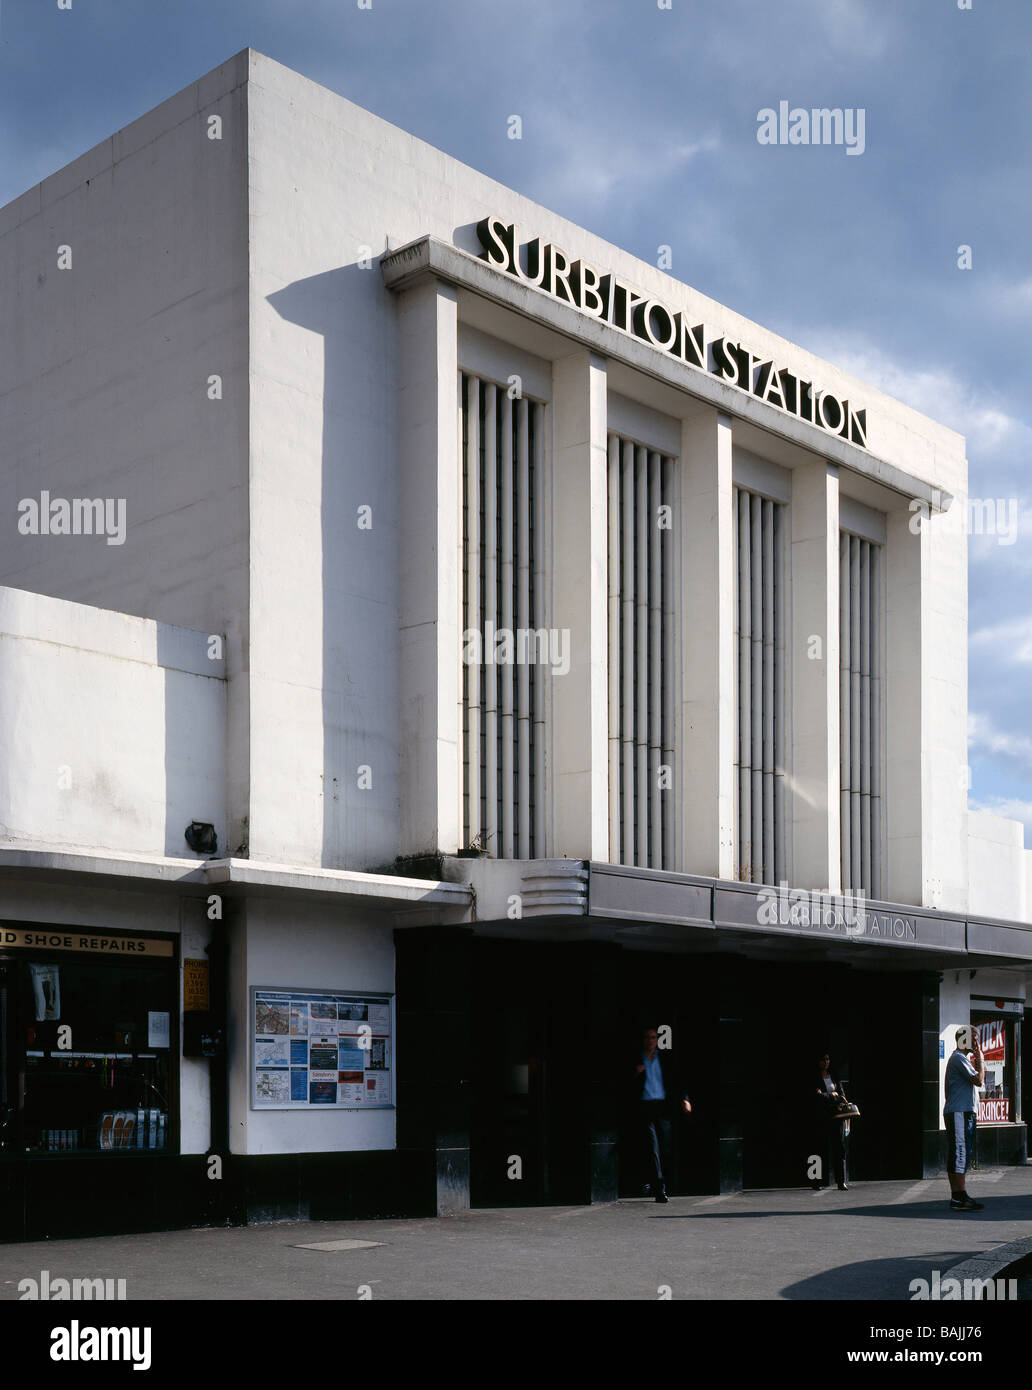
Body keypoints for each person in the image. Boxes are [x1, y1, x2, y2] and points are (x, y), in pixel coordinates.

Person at [633, 1026, 691, 1204]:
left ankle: (653, 1181)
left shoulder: (664, 1059)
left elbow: (676, 1080)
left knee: (664, 1148)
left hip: (663, 1108)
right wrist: (635, 1074)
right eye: (646, 1037)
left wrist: (685, 1098)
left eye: (652, 1037)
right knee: (653, 1148)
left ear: (657, 1040)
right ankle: (660, 1189)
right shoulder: (637, 1060)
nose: (649, 1041)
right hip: (645, 1107)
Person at [944, 1027, 986, 1211]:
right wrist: (981, 1059)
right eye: (974, 1040)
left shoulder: (961, 1059)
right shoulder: (959, 1059)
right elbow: (979, 1080)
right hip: (960, 1112)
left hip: (961, 1111)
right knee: (961, 1153)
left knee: (958, 1153)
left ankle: (958, 1196)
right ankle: (960, 1196)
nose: (976, 1044)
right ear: (964, 1041)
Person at [813, 1052, 851, 1190]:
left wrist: (827, 1096)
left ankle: (841, 1181)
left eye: (828, 1059)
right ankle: (816, 1181)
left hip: (836, 1116)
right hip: (822, 1116)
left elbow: (841, 1094)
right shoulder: (815, 1077)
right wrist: (831, 1095)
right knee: (819, 1147)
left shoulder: (834, 1075)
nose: (826, 1062)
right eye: (823, 1059)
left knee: (839, 1148)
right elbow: (816, 1096)